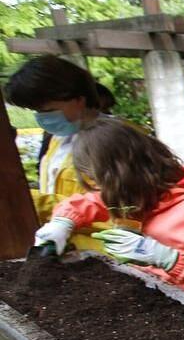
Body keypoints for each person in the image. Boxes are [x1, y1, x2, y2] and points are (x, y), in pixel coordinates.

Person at [31, 119, 184, 310]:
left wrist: (167, 258)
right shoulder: (142, 195)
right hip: (167, 305)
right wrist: (62, 222)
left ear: (119, 175)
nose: (98, 189)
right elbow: (91, 201)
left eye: (98, 181)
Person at [7, 56, 109, 249]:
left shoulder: (114, 141)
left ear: (79, 99)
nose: (42, 117)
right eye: (36, 111)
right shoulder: (59, 137)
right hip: (70, 248)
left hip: (103, 253)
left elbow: (117, 209)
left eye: (49, 110)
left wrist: (35, 202)